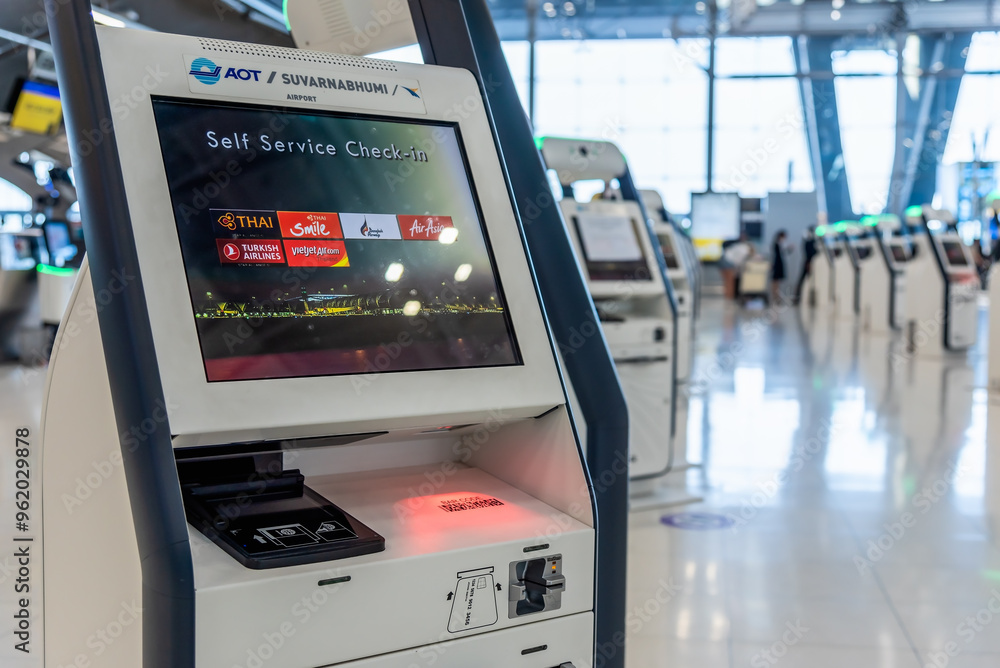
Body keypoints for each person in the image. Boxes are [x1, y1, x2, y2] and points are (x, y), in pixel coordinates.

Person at [721, 233, 752, 299]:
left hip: (723, 260)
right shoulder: (745, 250)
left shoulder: (741, 246)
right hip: (727, 261)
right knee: (730, 281)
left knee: (727, 281)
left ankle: (727, 296)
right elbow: (738, 261)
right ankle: (729, 297)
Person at [794, 226, 817, 305]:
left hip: (810, 262)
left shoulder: (810, 241)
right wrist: (808, 263)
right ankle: (797, 297)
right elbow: (809, 253)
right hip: (808, 262)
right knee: (802, 280)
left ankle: (798, 297)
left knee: (804, 280)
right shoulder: (808, 242)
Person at [770, 229, 790, 303]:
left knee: (777, 281)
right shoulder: (777, 244)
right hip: (777, 263)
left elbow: (785, 251)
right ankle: (775, 296)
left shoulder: (780, 244)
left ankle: (777, 296)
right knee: (775, 281)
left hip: (779, 263)